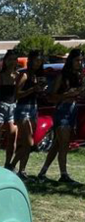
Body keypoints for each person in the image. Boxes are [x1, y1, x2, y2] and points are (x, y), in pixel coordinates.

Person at [38, 49, 83, 183]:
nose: (79, 63)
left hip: (73, 109)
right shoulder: (62, 76)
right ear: (71, 60)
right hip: (62, 109)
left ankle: (43, 172)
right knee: (63, 144)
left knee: (57, 144)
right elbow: (51, 97)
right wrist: (67, 95)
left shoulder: (79, 76)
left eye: (81, 60)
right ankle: (64, 175)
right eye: (77, 60)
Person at [10, 49, 45, 179]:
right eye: (36, 60)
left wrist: (40, 90)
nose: (38, 63)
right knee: (29, 142)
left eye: (40, 61)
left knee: (27, 143)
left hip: (33, 108)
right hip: (23, 108)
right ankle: (12, 164)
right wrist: (32, 89)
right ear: (31, 60)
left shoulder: (37, 76)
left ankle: (22, 170)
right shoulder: (24, 75)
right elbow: (17, 94)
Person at [0, 50, 19, 168]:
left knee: (12, 136)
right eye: (10, 59)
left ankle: (8, 163)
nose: (12, 62)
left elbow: (18, 93)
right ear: (5, 61)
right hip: (0, 107)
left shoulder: (17, 76)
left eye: (14, 59)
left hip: (12, 108)